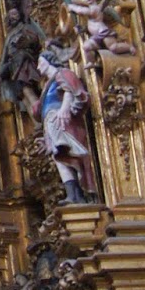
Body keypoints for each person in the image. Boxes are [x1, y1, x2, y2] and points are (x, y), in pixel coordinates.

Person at [35, 47, 96, 202]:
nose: (38, 67)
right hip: (50, 123)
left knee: (70, 152)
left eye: (40, 63)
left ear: (49, 61)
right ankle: (72, 195)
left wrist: (64, 108)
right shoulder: (47, 85)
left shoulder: (63, 74)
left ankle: (81, 194)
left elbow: (70, 90)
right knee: (59, 158)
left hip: (62, 121)